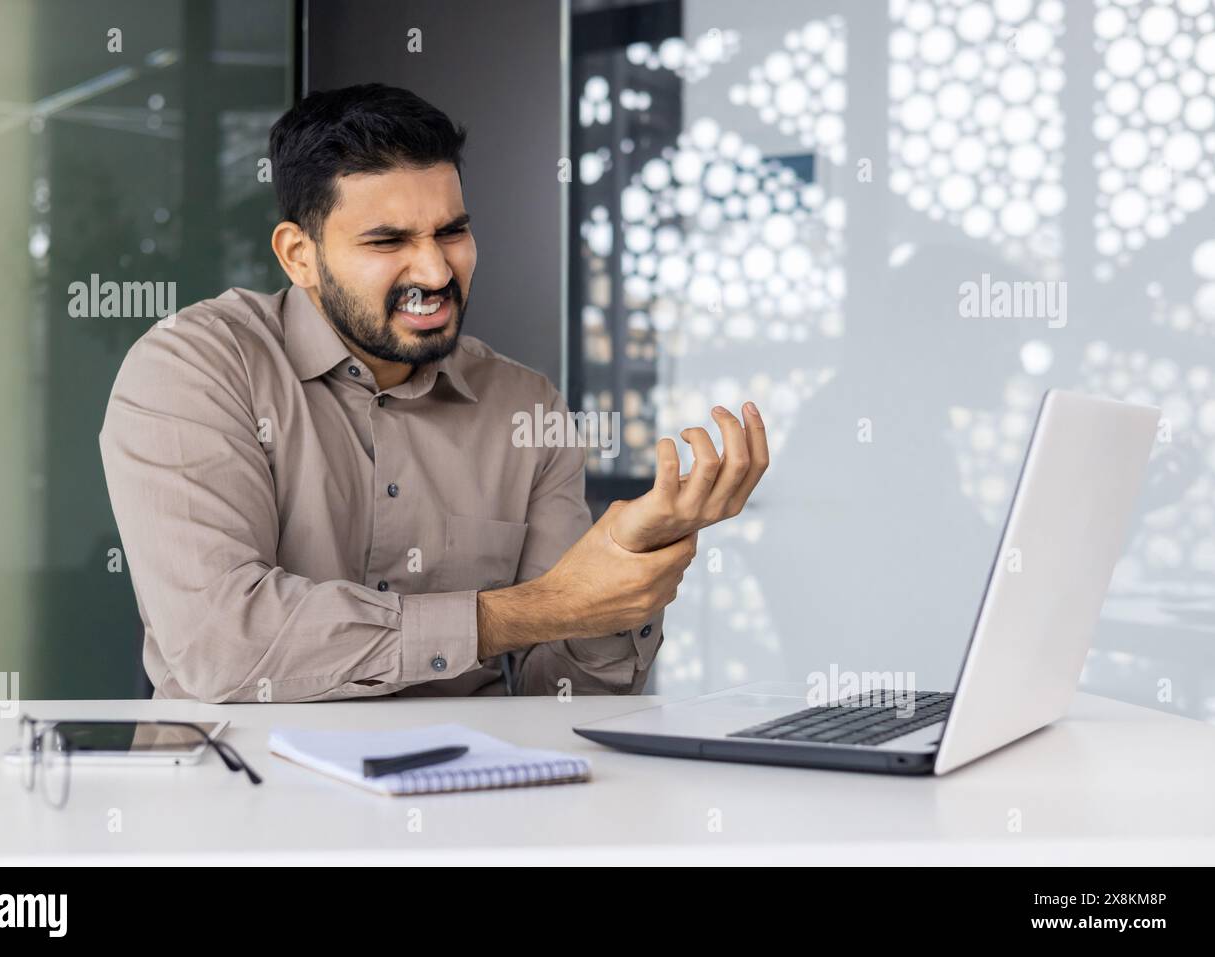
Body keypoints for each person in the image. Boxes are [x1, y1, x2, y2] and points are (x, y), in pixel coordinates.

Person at [98, 83, 768, 703]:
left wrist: (624, 579)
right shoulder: (195, 368)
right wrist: (542, 606)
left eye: (451, 231)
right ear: (298, 255)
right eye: (388, 240)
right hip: (235, 804)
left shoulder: (525, 409)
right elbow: (221, 643)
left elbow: (555, 695)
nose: (435, 268)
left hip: (462, 803)